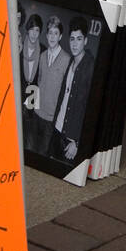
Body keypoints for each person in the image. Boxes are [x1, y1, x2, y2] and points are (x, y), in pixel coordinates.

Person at [52, 17, 95, 162]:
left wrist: (77, 142)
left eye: (79, 39)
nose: (75, 44)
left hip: (71, 141)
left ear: (86, 41)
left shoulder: (90, 67)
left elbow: (92, 110)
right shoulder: (71, 62)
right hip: (58, 130)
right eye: (72, 39)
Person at [35, 15, 70, 155]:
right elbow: (39, 82)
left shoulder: (67, 60)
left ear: (60, 36)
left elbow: (66, 92)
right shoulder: (42, 56)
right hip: (37, 114)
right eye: (50, 32)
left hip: (52, 119)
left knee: (43, 154)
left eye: (56, 33)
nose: (52, 36)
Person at [19, 13, 43, 153]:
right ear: (27, 29)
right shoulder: (20, 47)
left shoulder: (43, 50)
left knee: (28, 132)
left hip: (33, 91)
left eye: (37, 30)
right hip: (18, 90)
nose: (34, 34)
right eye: (32, 29)